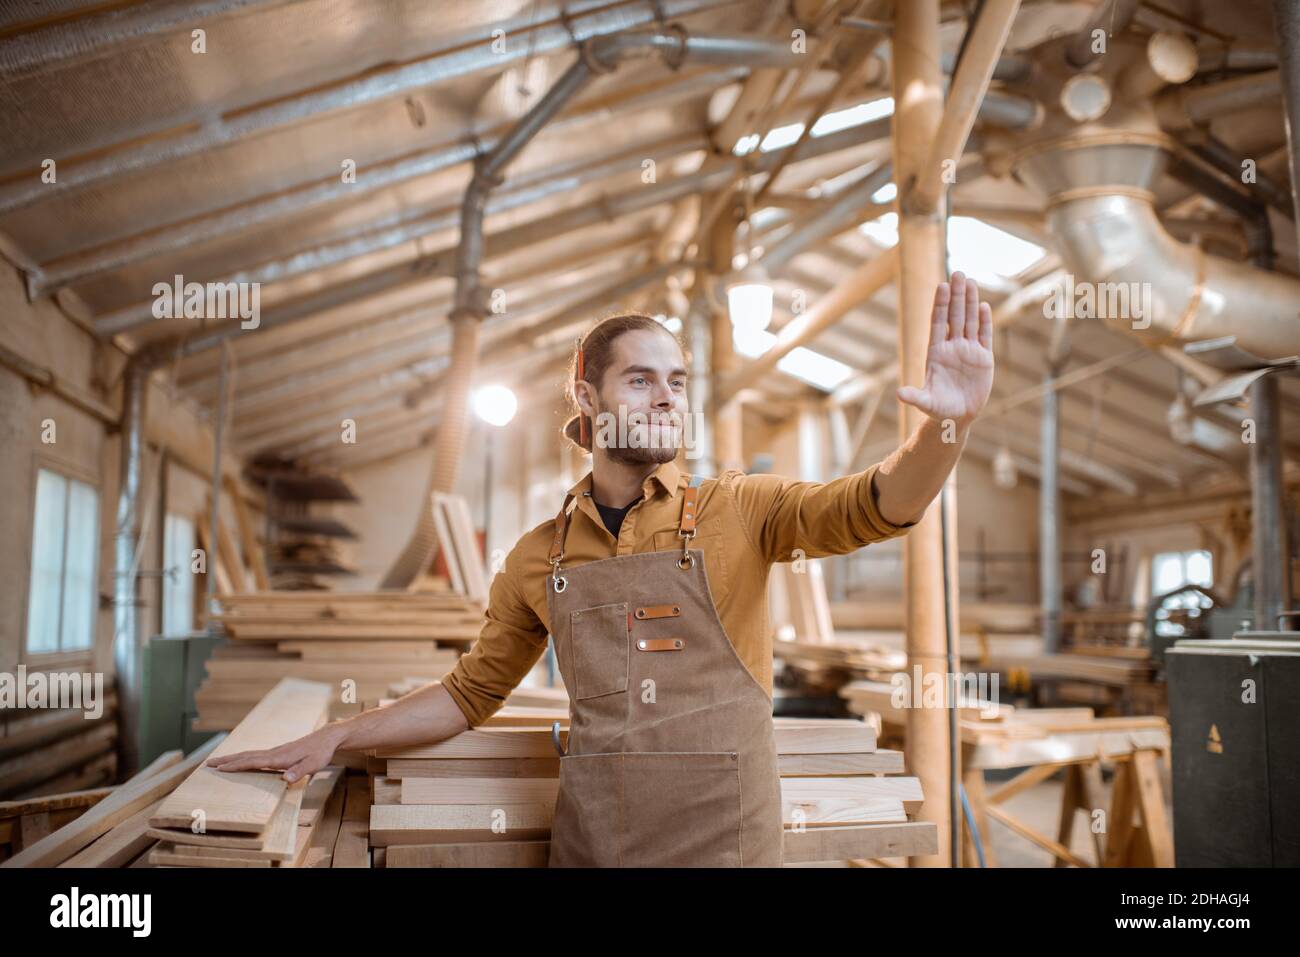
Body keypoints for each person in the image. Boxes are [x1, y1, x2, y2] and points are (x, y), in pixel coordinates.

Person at [207, 272, 996, 866]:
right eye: (641, 379)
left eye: (678, 381)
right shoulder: (537, 556)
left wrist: (946, 431)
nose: (666, 398)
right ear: (588, 395)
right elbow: (466, 696)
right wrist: (333, 739)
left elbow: (877, 505)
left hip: (729, 847)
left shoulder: (743, 510)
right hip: (597, 849)